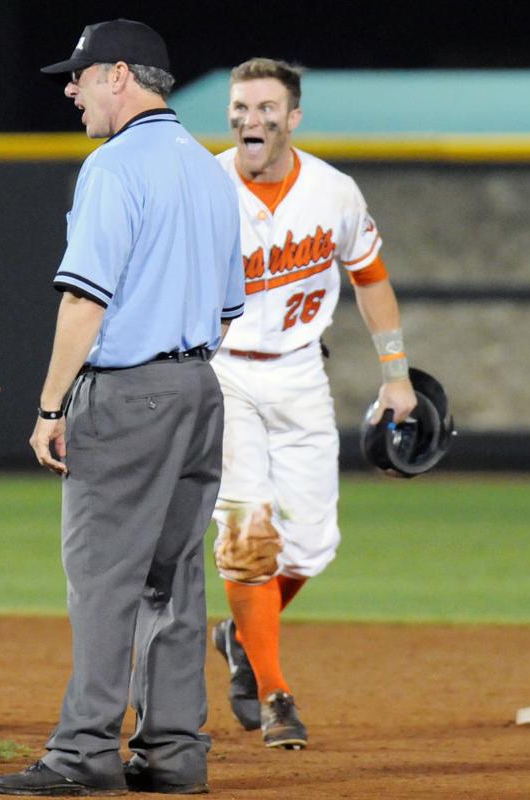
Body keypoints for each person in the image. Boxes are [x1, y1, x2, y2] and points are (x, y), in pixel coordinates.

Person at [0, 19, 244, 797]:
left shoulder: (113, 166)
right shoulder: (209, 169)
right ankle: (174, 754)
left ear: (120, 75)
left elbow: (84, 304)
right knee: (174, 578)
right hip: (200, 389)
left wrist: (49, 403)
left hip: (130, 394)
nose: (70, 89)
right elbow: (231, 306)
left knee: (105, 580)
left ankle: (83, 753)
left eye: (80, 75)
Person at [208, 57, 417, 750]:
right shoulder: (204, 188)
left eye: (267, 107)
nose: (251, 119)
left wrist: (396, 374)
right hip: (225, 375)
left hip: (300, 374)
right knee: (246, 537)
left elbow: (373, 278)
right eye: (241, 107)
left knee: (313, 544)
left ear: (292, 118)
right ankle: (274, 693)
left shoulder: (333, 191)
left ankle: (237, 634)